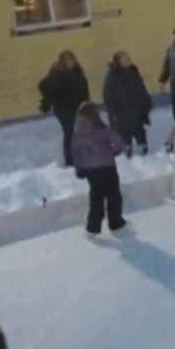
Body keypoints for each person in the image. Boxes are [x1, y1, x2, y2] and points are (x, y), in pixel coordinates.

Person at [71, 101, 127, 235]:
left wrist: (79, 166)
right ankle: (115, 221)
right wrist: (115, 151)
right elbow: (117, 141)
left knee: (96, 196)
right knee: (113, 195)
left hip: (90, 169)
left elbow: (75, 151)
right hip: (107, 166)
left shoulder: (78, 132)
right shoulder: (101, 128)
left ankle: (93, 225)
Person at [38, 51, 90, 167]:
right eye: (68, 60)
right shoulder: (58, 74)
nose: (71, 62)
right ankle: (70, 160)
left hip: (78, 107)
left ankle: (80, 156)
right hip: (64, 108)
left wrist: (87, 104)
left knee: (80, 131)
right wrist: (51, 98)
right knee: (70, 132)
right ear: (62, 62)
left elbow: (84, 90)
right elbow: (43, 85)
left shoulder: (78, 74)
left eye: (72, 59)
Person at [102, 50, 152, 157]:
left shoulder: (134, 72)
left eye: (128, 58)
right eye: (125, 58)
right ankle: (127, 160)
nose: (128, 60)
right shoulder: (112, 77)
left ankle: (144, 156)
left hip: (137, 113)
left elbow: (142, 89)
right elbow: (108, 98)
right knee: (125, 140)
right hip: (122, 115)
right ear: (118, 61)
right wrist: (113, 114)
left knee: (141, 137)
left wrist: (147, 104)